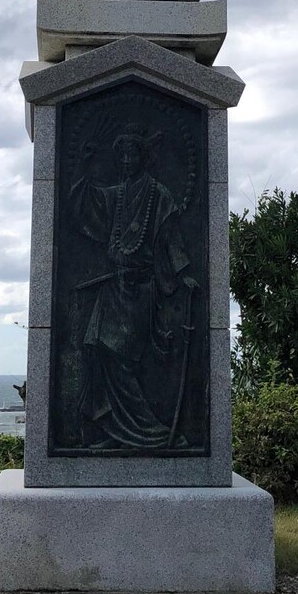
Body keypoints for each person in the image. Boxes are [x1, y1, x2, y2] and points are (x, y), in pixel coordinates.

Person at [68, 125, 197, 451]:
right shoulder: (117, 195)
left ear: (143, 157)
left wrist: (182, 276)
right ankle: (113, 434)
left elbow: (172, 241)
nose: (126, 160)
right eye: (121, 155)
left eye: (132, 154)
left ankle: (149, 434)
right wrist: (83, 166)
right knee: (97, 350)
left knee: (123, 360)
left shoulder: (160, 195)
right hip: (113, 289)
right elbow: (87, 203)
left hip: (141, 291)